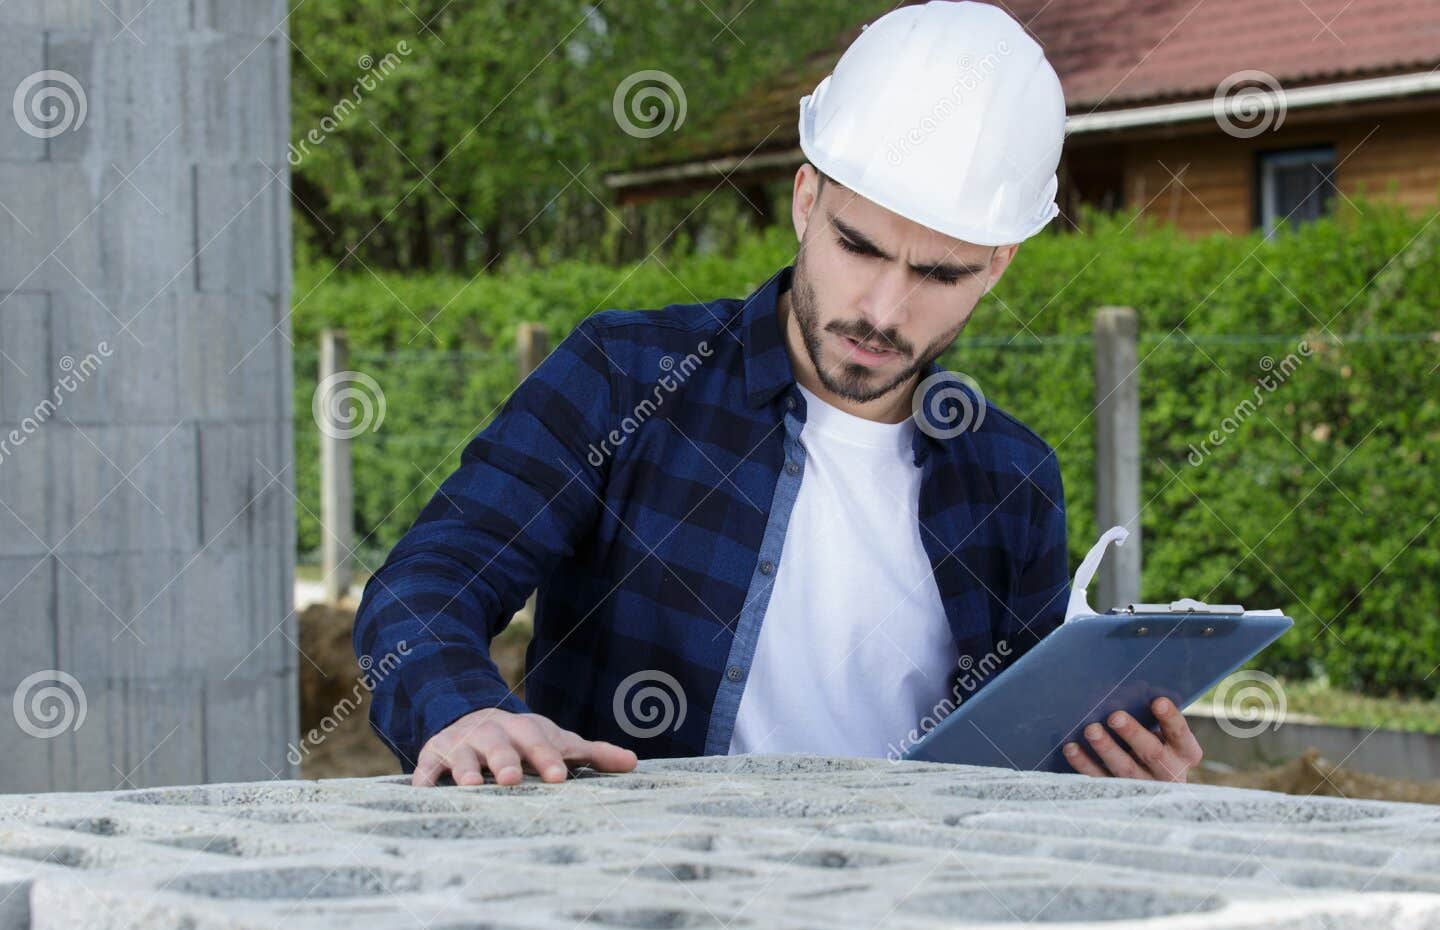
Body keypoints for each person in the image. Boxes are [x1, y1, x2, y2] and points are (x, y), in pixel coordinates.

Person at [352, 1, 1203, 787]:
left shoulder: (1010, 477)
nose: (883, 309)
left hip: (902, 916)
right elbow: (428, 584)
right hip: (636, 900)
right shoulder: (627, 377)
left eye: (939, 273)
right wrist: (464, 709)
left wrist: (1108, 772)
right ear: (806, 201)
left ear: (997, 265)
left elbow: (1021, 756)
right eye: (859, 246)